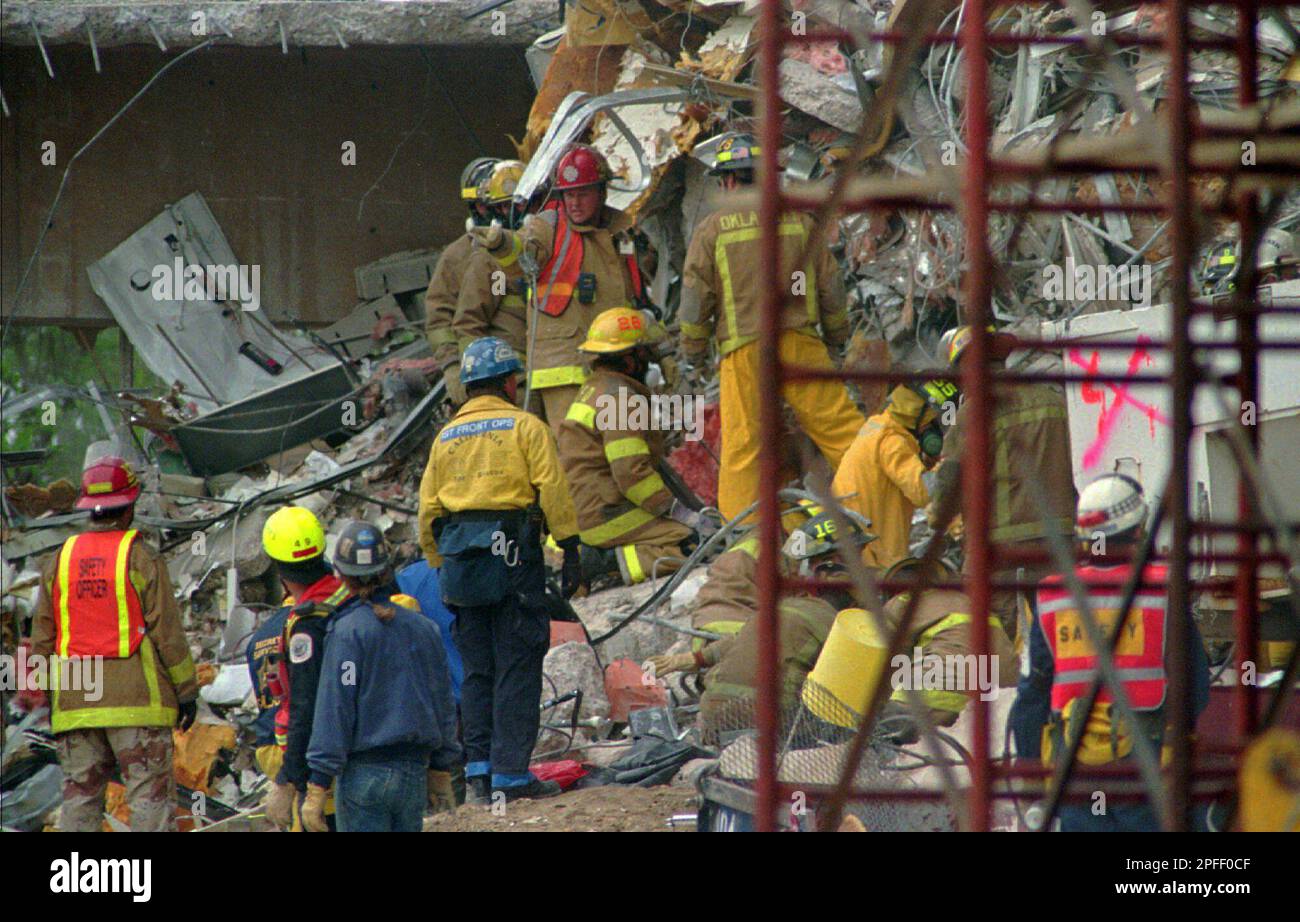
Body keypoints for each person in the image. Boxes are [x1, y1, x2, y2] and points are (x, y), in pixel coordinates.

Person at [417, 336, 581, 802]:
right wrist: (569, 546)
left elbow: (427, 511)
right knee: (517, 663)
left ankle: (479, 774)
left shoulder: (445, 437)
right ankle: (511, 775)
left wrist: (438, 564)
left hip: (461, 568)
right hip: (513, 562)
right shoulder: (525, 427)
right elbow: (551, 488)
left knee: (477, 669)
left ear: (469, 387)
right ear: (510, 382)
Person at [679, 132, 864, 522]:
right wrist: (836, 339)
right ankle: (875, 500)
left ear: (729, 181)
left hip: (745, 351)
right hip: (800, 341)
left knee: (745, 449)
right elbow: (831, 285)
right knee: (841, 429)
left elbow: (696, 301)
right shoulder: (799, 219)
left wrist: (693, 354)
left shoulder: (712, 230)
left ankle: (746, 543)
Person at [1013, 473, 1210, 831]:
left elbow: (1031, 694)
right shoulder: (1161, 587)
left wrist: (1032, 772)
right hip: (1145, 764)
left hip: (1075, 770)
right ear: (1138, 529)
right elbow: (1196, 686)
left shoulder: (1053, 596)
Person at [30, 457, 198, 831]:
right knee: (149, 803)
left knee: (80, 803)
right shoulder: (141, 557)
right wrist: (187, 692)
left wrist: (48, 698)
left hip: (76, 707)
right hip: (138, 706)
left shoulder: (59, 562)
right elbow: (167, 633)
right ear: (131, 505)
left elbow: (42, 640)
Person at [470, 143, 656, 432]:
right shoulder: (548, 226)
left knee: (625, 450)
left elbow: (637, 301)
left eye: (582, 193)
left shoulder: (621, 233)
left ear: (602, 192)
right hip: (564, 370)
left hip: (615, 362)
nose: (574, 203)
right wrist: (501, 243)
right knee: (577, 453)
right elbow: (524, 251)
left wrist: (661, 350)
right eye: (569, 194)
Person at [650, 510, 871, 744]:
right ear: (832, 567)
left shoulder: (781, 608)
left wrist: (691, 658)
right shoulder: (834, 621)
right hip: (771, 724)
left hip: (713, 719)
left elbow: (740, 640)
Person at [303, 521, 461, 832]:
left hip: (365, 774)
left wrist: (318, 783)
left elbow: (337, 706)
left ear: (341, 575)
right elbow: (443, 699)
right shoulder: (423, 629)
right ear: (387, 570)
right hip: (414, 774)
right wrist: (443, 766)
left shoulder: (347, 634)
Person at [932, 325, 1077, 635]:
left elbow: (949, 482)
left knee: (986, 631)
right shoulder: (1053, 400)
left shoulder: (972, 412)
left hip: (997, 545)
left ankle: (995, 681)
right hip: (1058, 539)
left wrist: (937, 521)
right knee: (1059, 627)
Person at [558, 307, 717, 587]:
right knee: (696, 544)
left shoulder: (599, 388)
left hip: (591, 509)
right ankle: (607, 563)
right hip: (610, 516)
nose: (653, 360)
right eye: (648, 353)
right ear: (631, 360)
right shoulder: (621, 399)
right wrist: (677, 512)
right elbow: (631, 473)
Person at [259, 505, 350, 832]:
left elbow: (306, 705)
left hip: (321, 770)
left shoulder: (307, 624)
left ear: (279, 569)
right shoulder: (346, 595)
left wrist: (287, 779)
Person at [872, 558, 1018, 744]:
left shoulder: (900, 602)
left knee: (885, 733)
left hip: (945, 684)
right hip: (1004, 689)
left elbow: (884, 661)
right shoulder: (968, 601)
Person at [831, 384, 943, 572]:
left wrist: (927, 463)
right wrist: (948, 464)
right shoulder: (892, 442)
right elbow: (925, 492)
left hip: (852, 540)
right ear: (917, 416)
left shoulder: (877, 426)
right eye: (930, 421)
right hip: (873, 554)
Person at [426, 156, 500, 407]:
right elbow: (439, 320)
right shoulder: (457, 256)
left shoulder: (528, 245)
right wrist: (452, 367)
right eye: (481, 204)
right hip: (483, 374)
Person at [454, 160, 532, 364]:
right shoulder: (484, 258)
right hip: (515, 370)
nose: (510, 213)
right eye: (502, 207)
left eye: (516, 205)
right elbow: (467, 322)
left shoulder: (548, 243)